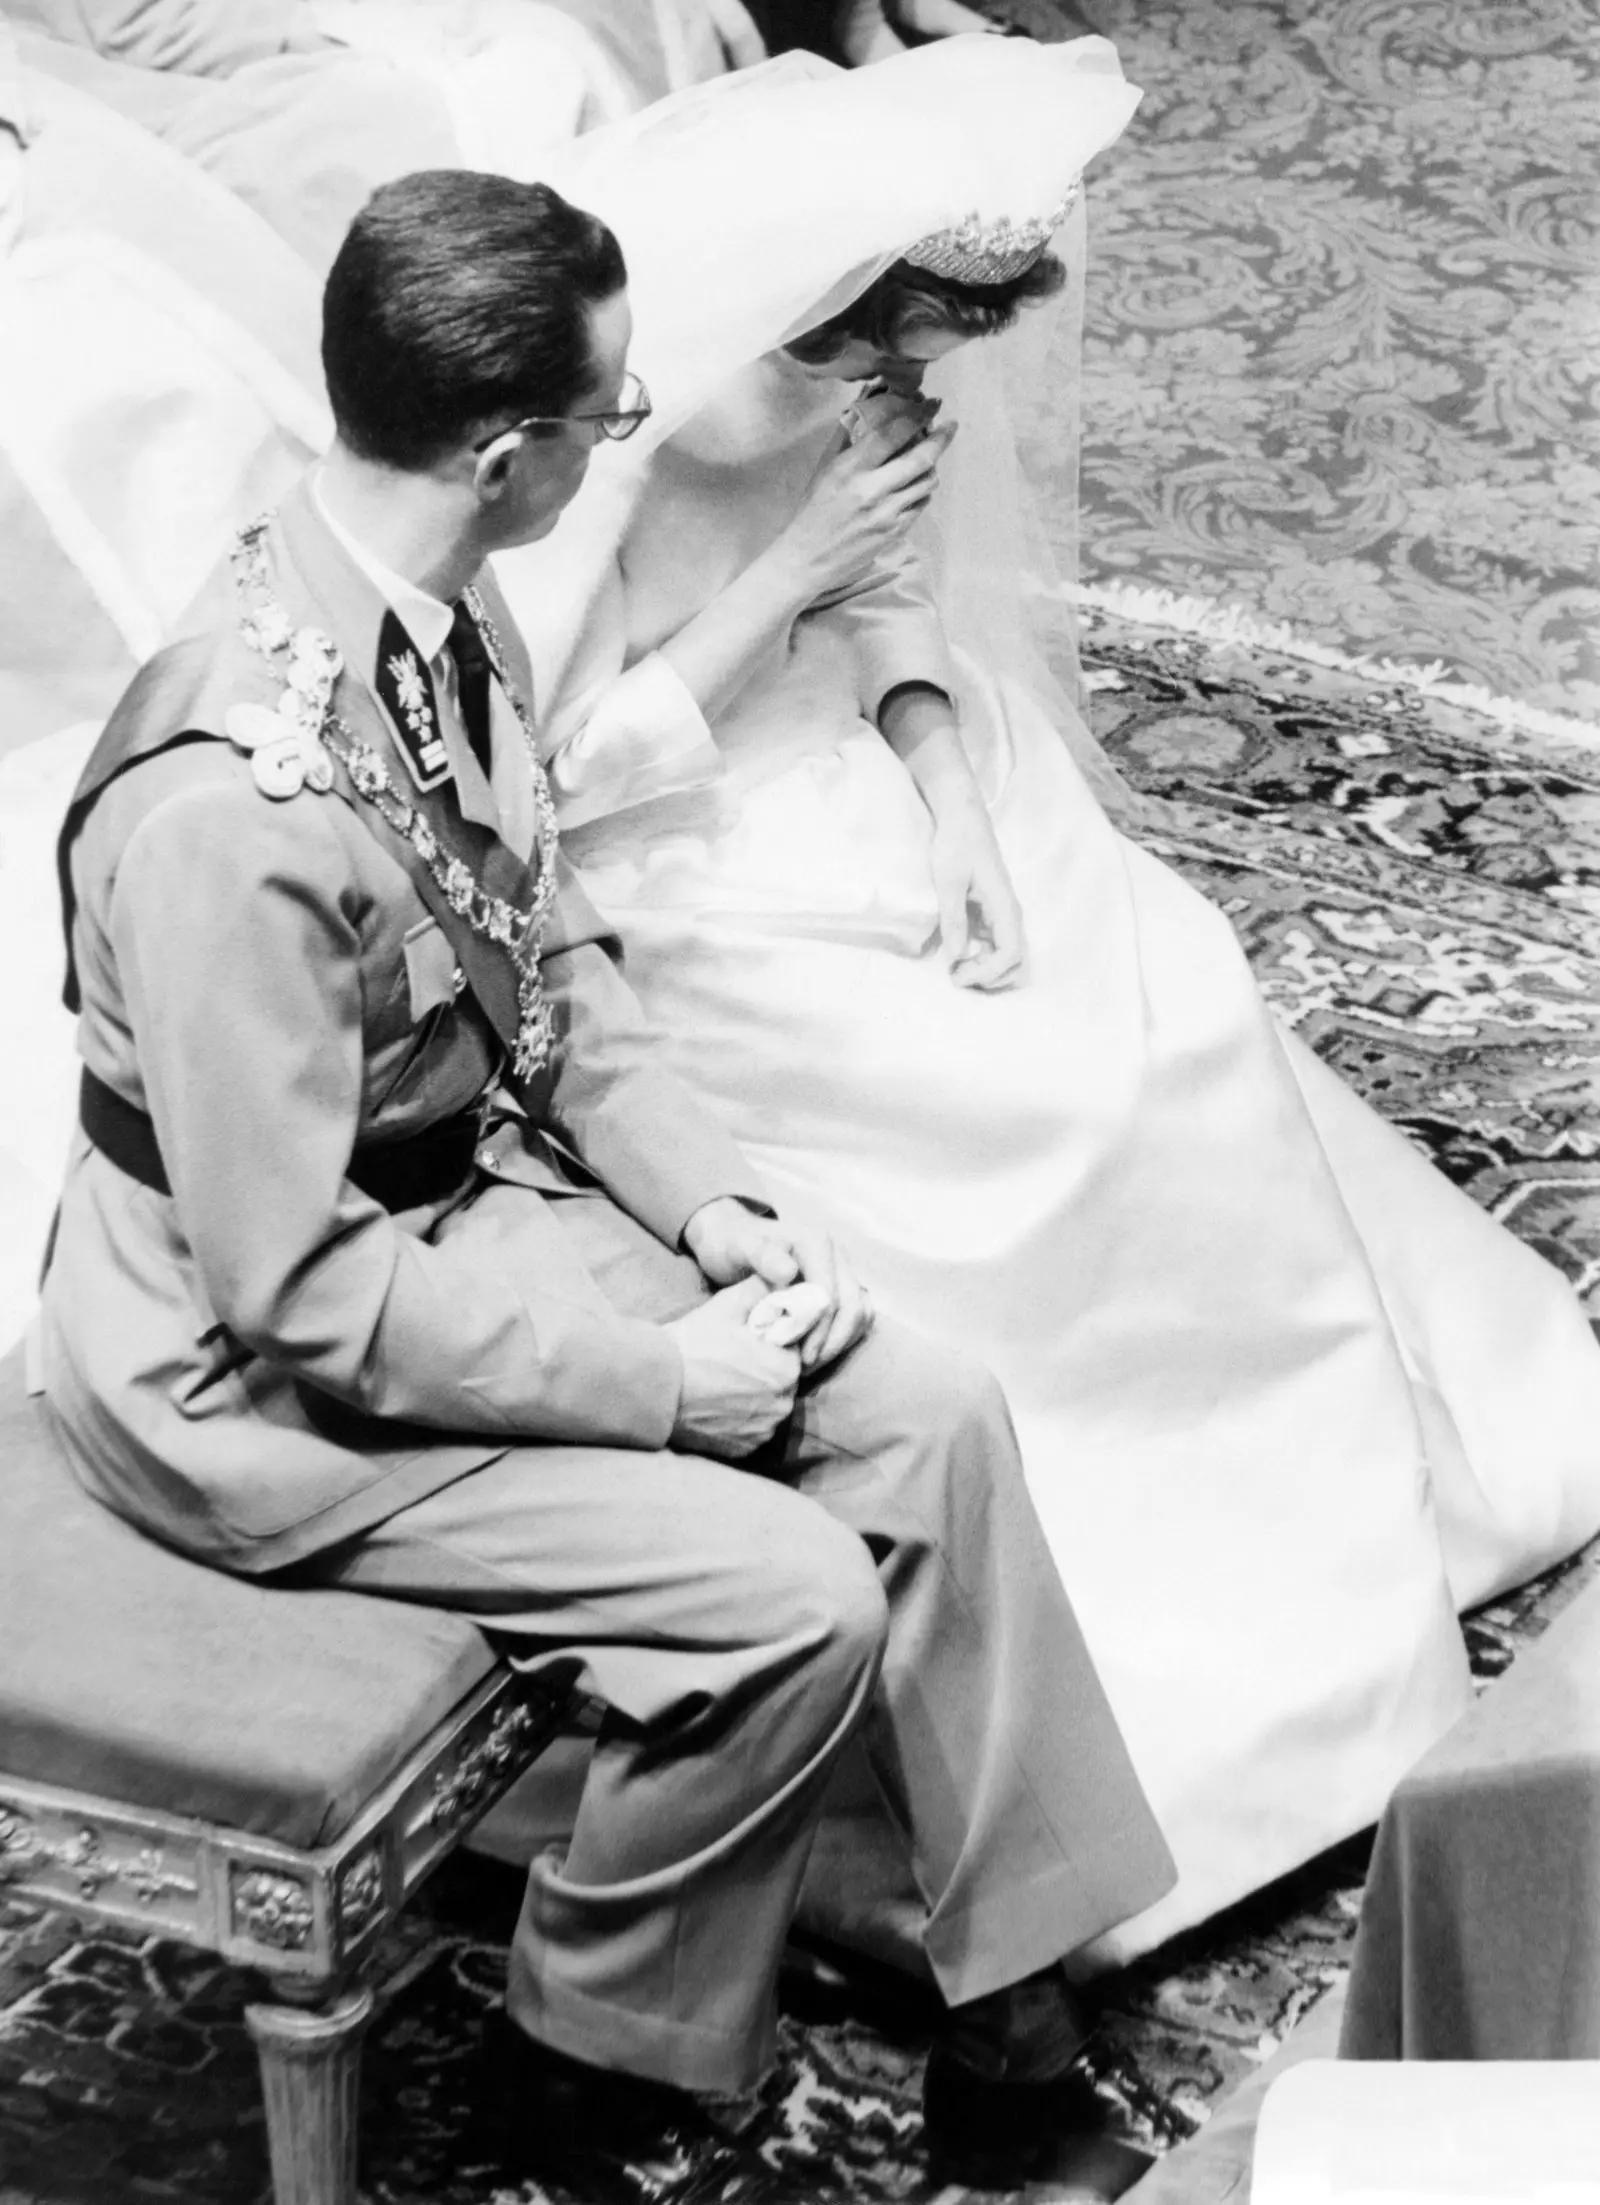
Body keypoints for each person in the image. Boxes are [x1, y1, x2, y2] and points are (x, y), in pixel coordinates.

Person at [37, 166, 1175, 2193]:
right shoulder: (234, 804)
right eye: (609, 417)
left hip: (431, 1227)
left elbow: (541, 956)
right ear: (504, 457)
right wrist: (671, 1388)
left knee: (929, 1410)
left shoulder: (409, 599)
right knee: (789, 1595)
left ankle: (1005, 2029)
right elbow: (296, 1294)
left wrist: (711, 1207)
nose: (623, 445)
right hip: (247, 1375)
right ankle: (582, 2063)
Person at [485, 34, 1600, 1967]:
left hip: (857, 787)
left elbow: (892, 604)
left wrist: (945, 785)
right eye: (888, 349)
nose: (912, 392)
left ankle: (1330, 1582)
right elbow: (548, 784)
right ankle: (1151, 1716)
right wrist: (791, 580)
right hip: (680, 861)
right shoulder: (629, 422)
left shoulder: (866, 395)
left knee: (1171, 984)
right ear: (815, 305)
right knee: (1035, 1116)